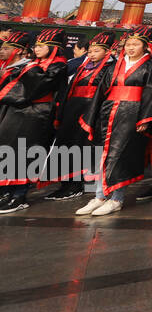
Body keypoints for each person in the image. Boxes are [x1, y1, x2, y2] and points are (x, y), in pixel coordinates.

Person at [77, 28, 152, 216]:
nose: (131, 48)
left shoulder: (151, 66)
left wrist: (145, 118)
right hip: (109, 112)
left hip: (132, 113)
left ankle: (117, 197)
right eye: (128, 44)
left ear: (145, 46)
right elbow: (102, 90)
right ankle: (99, 196)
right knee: (103, 154)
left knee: (119, 155)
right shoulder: (114, 66)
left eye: (136, 44)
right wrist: (93, 114)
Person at [0, 30, 69, 213]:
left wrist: (28, 70)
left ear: (53, 48)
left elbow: (38, 87)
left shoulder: (58, 66)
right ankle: (7, 191)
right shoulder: (33, 64)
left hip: (39, 113)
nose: (36, 49)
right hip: (20, 111)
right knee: (10, 151)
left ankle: (20, 195)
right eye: (36, 45)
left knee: (28, 154)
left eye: (41, 46)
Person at [46, 32, 117, 201]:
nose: (92, 54)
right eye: (90, 51)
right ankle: (65, 183)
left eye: (96, 51)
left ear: (106, 52)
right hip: (72, 110)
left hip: (90, 112)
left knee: (81, 147)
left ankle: (76, 185)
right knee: (66, 145)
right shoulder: (83, 67)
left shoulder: (110, 68)